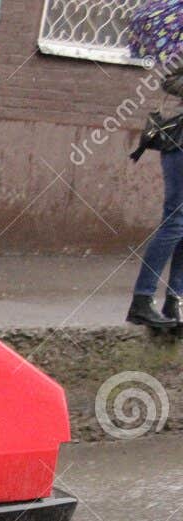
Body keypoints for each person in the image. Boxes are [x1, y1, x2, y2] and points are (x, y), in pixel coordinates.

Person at [129, 69, 183, 330]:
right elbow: (170, 80)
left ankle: (175, 301)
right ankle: (142, 299)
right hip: (180, 143)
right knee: (175, 222)